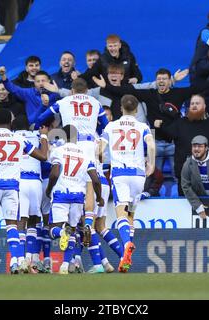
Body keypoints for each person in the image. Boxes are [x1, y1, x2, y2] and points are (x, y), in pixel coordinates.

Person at [35, 78, 109, 249]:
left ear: (72, 90)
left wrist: (43, 129)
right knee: (90, 186)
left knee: (69, 180)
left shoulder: (63, 101)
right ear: (87, 90)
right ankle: (88, 223)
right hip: (91, 145)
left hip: (71, 143)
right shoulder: (95, 102)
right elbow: (105, 126)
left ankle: (72, 230)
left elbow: (41, 118)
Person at [0, 108, 48, 274]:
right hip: (12, 187)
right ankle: (15, 262)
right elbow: (43, 157)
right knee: (12, 226)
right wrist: (44, 137)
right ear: (10, 121)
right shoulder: (19, 139)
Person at [100, 94, 156, 273]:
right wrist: (151, 164)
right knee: (130, 214)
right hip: (138, 176)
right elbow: (152, 146)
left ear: (120, 108)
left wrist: (100, 163)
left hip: (120, 175)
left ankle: (126, 246)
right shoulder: (142, 126)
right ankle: (127, 253)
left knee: (121, 215)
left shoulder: (111, 126)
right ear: (137, 109)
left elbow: (99, 148)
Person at [45, 124, 104, 274]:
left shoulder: (58, 151)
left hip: (61, 194)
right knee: (72, 230)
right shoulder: (86, 155)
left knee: (54, 229)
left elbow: (54, 173)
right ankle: (65, 265)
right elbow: (95, 179)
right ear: (77, 138)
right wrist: (99, 198)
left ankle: (62, 234)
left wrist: (49, 189)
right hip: (78, 197)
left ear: (63, 137)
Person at [11, 115, 49, 274]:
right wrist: (45, 136)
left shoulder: (12, 138)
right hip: (36, 182)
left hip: (20, 181)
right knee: (34, 221)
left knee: (21, 221)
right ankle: (31, 258)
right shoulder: (36, 136)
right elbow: (45, 156)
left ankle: (19, 260)